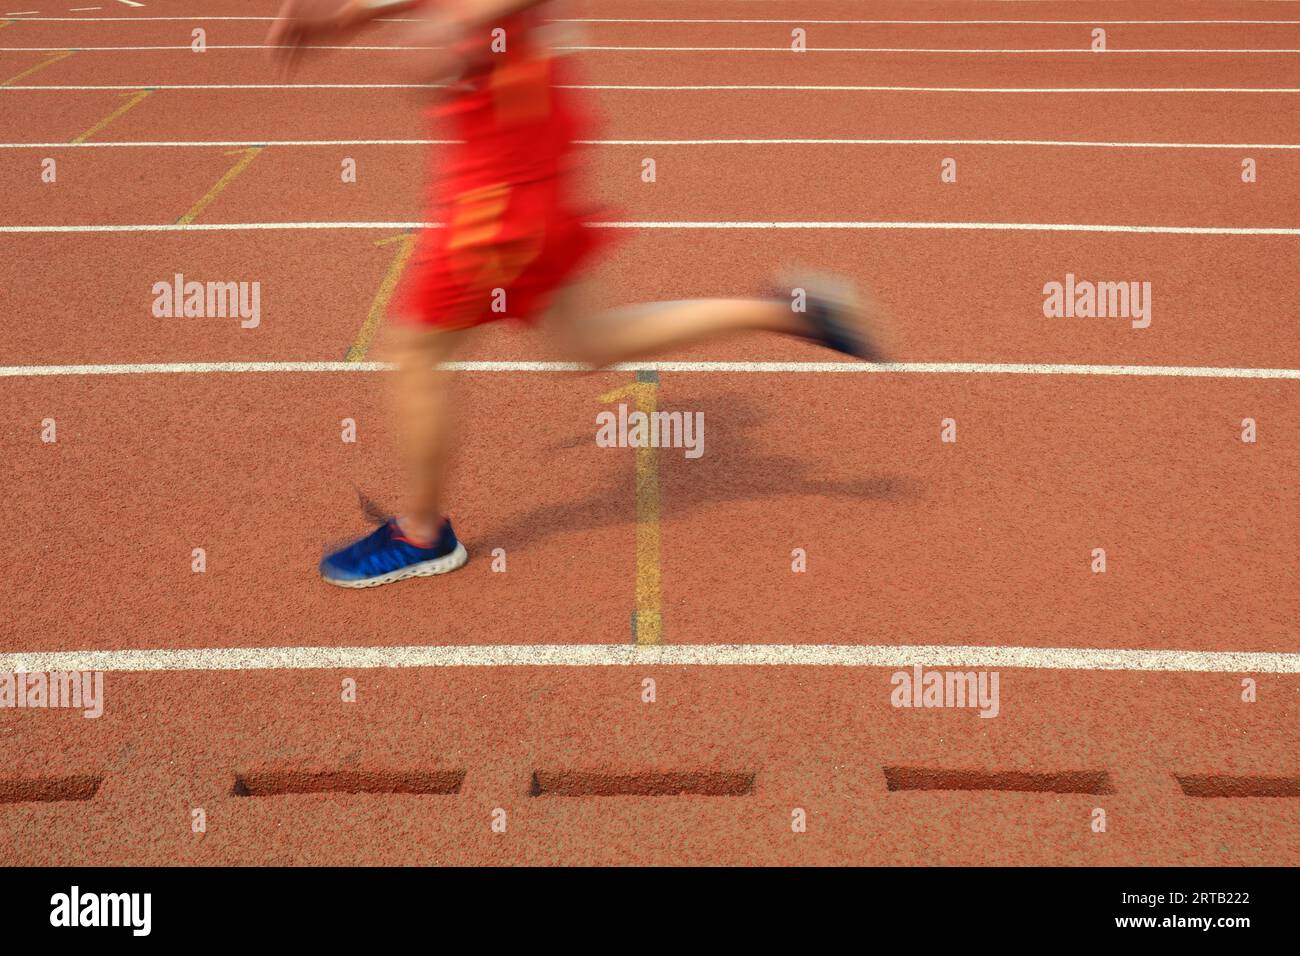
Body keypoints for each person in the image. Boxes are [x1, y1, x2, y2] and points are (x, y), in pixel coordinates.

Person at [269, 0, 884, 588]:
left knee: (417, 352)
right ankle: (788, 310)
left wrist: (461, 18)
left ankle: (423, 536)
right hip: (522, 154)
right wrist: (353, 17)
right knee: (585, 342)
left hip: (500, 184)